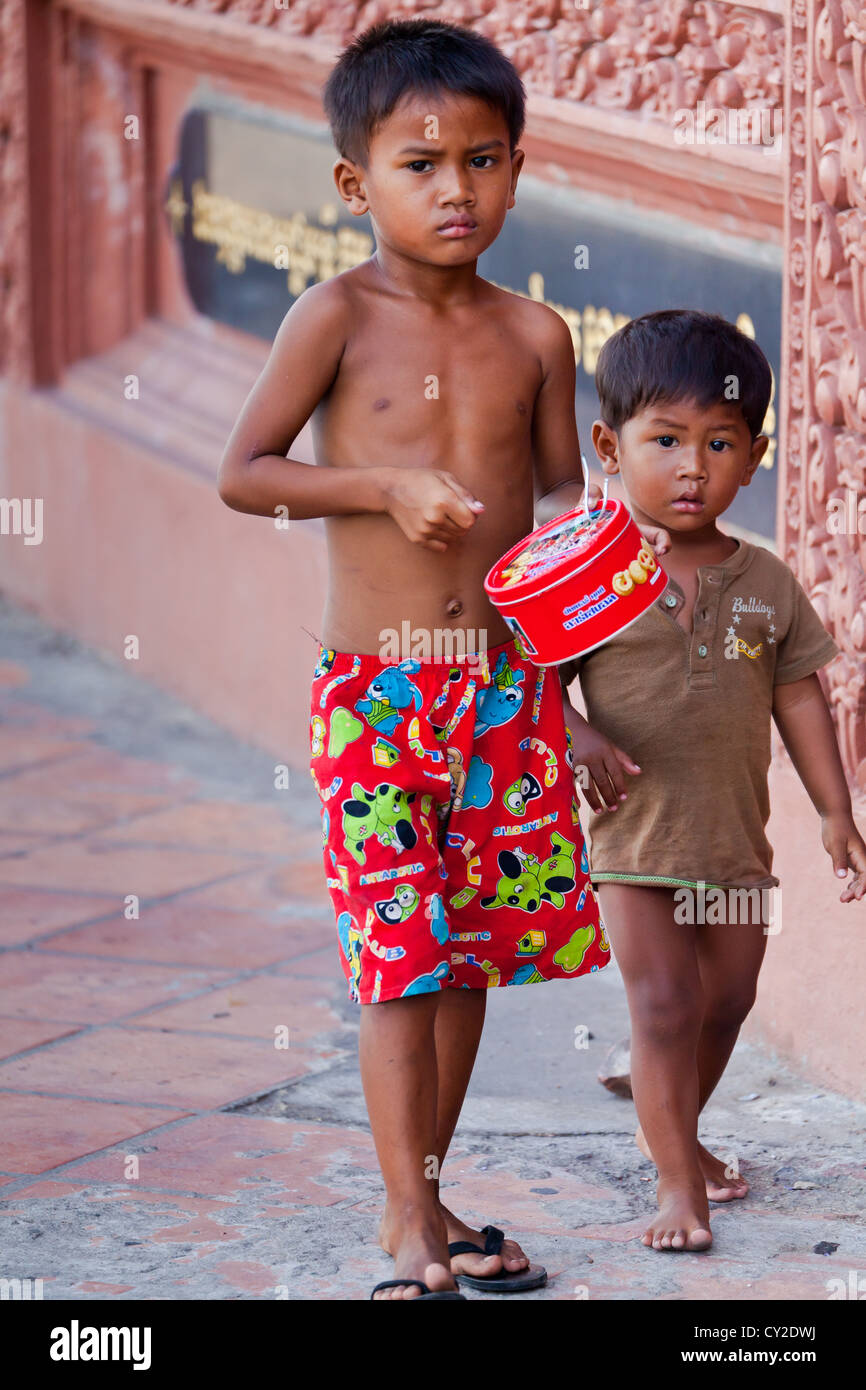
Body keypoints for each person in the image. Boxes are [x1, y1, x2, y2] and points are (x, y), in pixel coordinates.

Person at [218, 18, 668, 1298]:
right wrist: (378, 487)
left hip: (508, 705)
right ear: (356, 185)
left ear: (517, 171)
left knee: (471, 958)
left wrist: (569, 707)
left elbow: (558, 551)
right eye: (419, 164)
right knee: (396, 960)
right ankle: (410, 1224)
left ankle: (420, 1197)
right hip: (379, 701)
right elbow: (242, 473)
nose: (455, 189)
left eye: (482, 160)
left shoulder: (534, 338)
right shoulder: (334, 316)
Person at [559, 309, 866, 1253]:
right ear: (611, 446)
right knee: (664, 1007)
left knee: (726, 1001)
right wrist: (573, 733)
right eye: (665, 441)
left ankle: (683, 1132)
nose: (692, 467)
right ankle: (675, 1182)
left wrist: (835, 812)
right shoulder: (591, 568)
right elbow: (531, 676)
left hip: (735, 844)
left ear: (756, 454)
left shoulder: (767, 582)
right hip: (634, 840)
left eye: (719, 443)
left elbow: (802, 697)